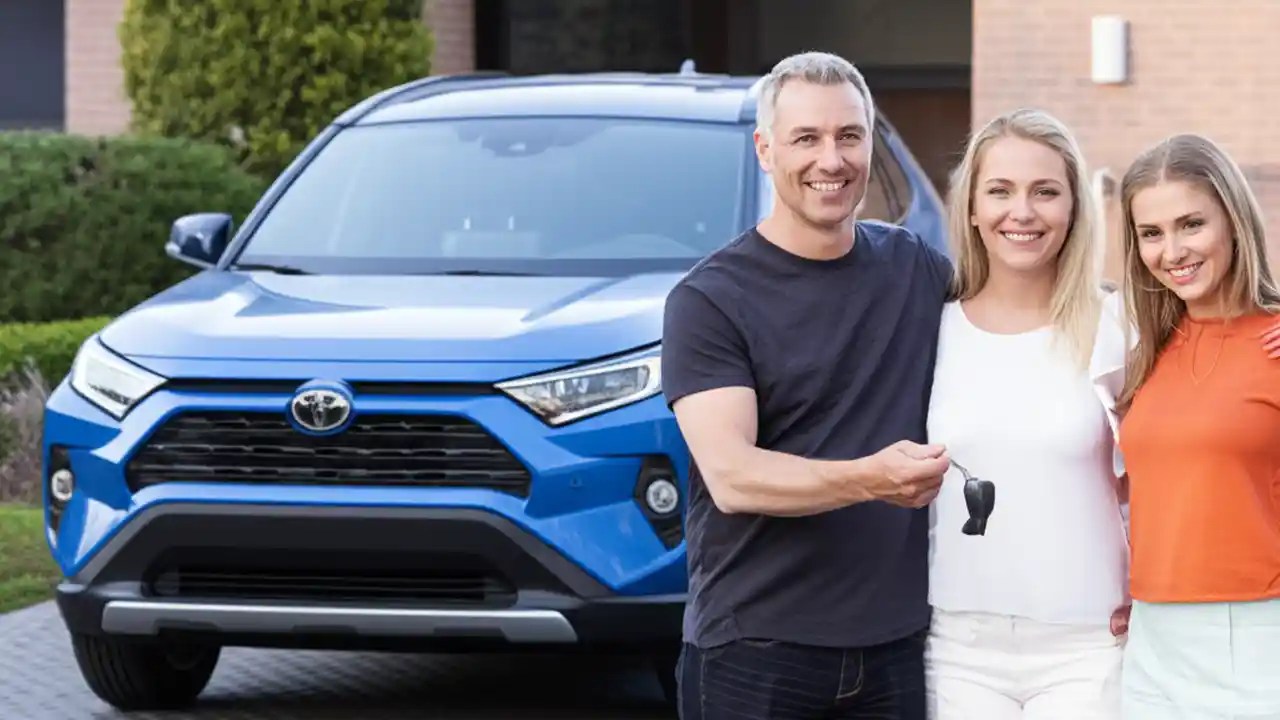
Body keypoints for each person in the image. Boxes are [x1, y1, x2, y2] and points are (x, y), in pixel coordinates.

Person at [661, 51, 954, 719]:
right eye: (807, 139)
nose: (832, 159)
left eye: (849, 136)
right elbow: (732, 476)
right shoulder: (710, 300)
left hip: (894, 651)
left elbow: (1023, 322)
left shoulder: (914, 269)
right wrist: (872, 480)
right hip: (754, 653)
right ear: (766, 150)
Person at [922, 108, 1130, 719]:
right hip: (960, 644)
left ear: (1073, 209)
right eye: (1000, 191)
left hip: (1091, 644)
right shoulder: (931, 331)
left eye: (1046, 192)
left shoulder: (1119, 328)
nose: (1023, 212)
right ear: (971, 209)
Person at [1113, 133, 1280, 719]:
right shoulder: (1147, 351)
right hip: (1152, 634)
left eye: (1191, 224)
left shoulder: (1275, 344)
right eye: (1152, 234)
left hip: (1256, 634)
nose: (1173, 251)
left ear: (1232, 220)